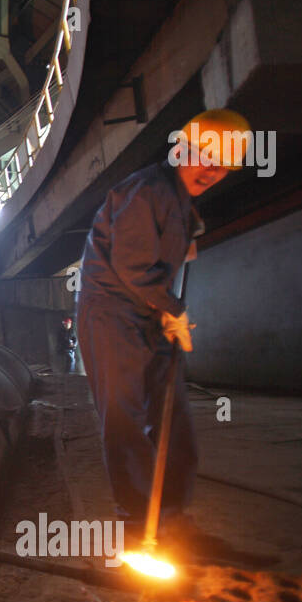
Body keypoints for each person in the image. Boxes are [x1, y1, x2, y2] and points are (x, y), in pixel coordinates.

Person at [75, 109, 250, 547]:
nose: (212, 169)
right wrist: (173, 309)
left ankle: (172, 519)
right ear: (181, 150)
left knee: (174, 419)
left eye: (223, 163)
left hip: (149, 315)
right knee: (124, 417)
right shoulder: (147, 190)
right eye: (204, 155)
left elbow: (161, 259)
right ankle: (139, 525)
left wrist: (180, 250)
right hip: (112, 312)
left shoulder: (181, 204)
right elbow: (132, 266)